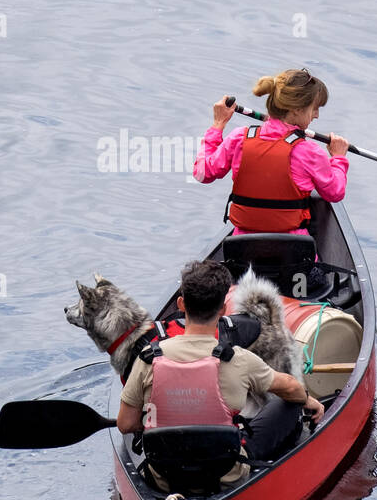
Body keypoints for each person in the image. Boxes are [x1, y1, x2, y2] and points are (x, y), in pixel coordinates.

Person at [117, 260, 323, 464]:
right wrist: (306, 399)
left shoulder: (148, 357)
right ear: (223, 310)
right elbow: (290, 387)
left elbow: (126, 424)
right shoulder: (240, 359)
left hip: (163, 472)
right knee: (289, 403)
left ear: (181, 304)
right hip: (225, 471)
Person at [193, 67, 350, 234]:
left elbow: (202, 173)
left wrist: (218, 125)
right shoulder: (310, 151)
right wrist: (338, 158)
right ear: (296, 109)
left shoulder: (239, 138)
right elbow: (335, 192)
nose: (317, 115)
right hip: (293, 250)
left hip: (242, 249)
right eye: (315, 108)